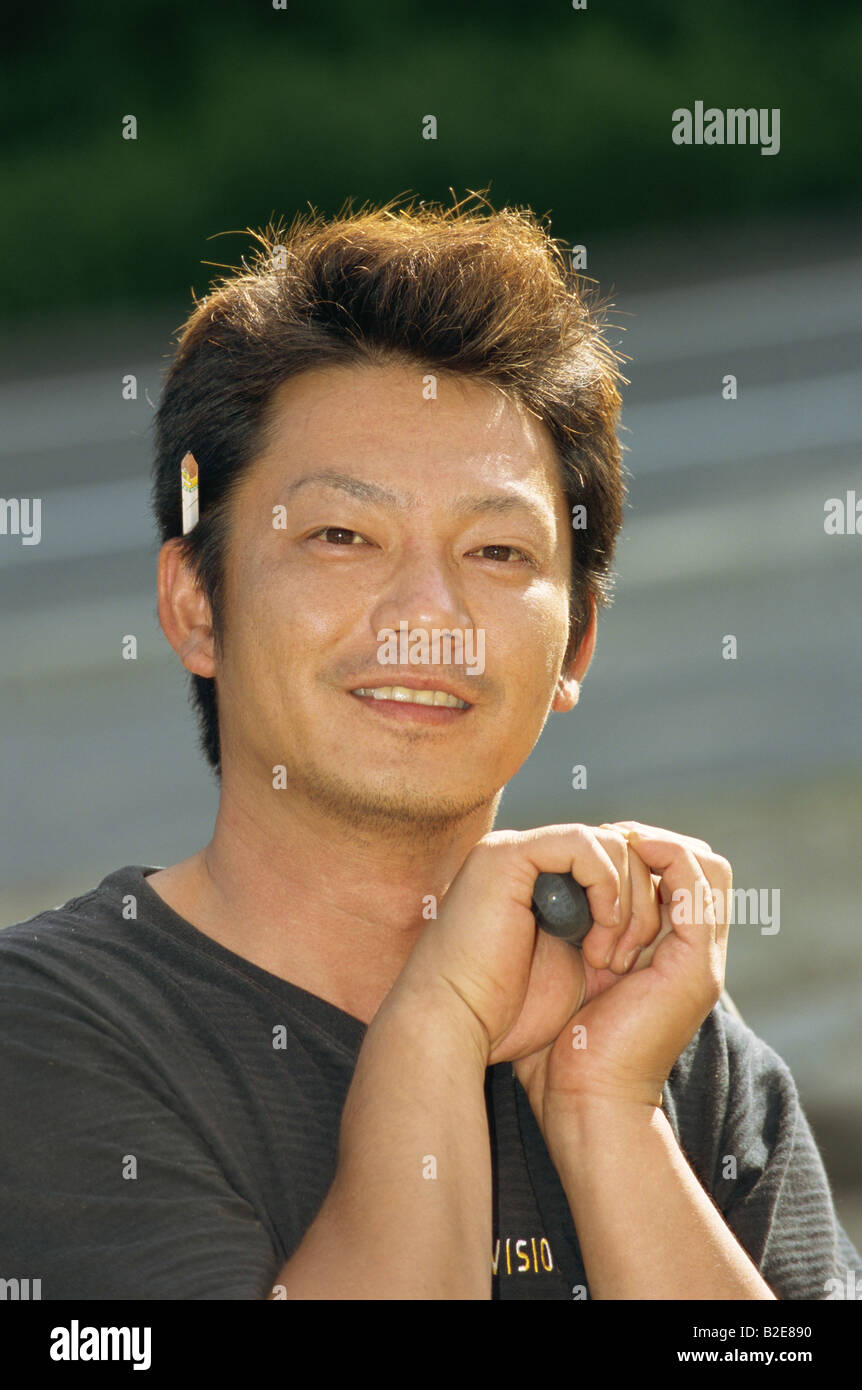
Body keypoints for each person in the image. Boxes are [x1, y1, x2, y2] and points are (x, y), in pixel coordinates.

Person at [1, 194, 858, 1301]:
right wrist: (434, 1028)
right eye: (342, 536)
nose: (425, 614)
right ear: (195, 604)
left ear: (575, 643)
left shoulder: (676, 1049)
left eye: (496, 550)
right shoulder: (51, 1037)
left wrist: (607, 1114)